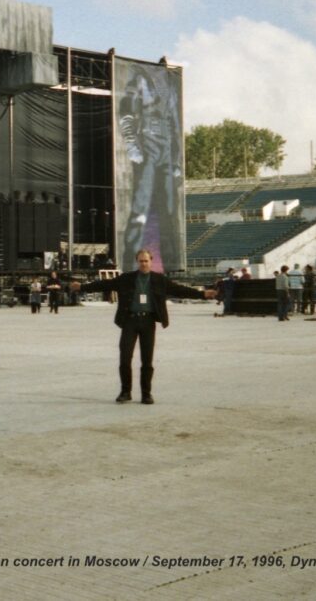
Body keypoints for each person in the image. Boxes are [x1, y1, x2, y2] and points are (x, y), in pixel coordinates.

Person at [73, 249, 215, 405]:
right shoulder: (126, 279)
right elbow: (104, 284)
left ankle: (146, 394)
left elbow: (180, 290)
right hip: (130, 321)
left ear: (151, 261)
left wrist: (202, 294)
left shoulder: (159, 280)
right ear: (137, 262)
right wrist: (82, 287)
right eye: (141, 261)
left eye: (146, 261)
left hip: (148, 322)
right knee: (125, 359)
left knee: (147, 360)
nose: (143, 264)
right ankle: (125, 392)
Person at [118, 67, 183, 271]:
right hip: (147, 142)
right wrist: (131, 143)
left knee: (169, 213)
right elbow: (126, 110)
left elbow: (175, 123)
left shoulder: (171, 83)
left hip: (167, 146)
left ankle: (170, 268)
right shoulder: (140, 76)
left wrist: (177, 158)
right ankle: (130, 265)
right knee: (140, 210)